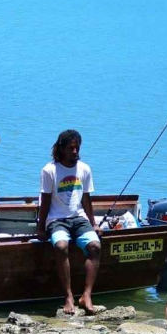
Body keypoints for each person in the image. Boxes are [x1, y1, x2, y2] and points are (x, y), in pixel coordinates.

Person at [38, 129, 103, 315]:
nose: (75, 152)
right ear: (62, 148)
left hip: (79, 218)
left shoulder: (84, 169)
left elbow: (86, 199)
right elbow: (45, 201)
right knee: (61, 246)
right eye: (71, 148)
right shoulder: (49, 170)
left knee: (95, 246)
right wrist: (41, 227)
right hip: (56, 219)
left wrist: (93, 223)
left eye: (77, 148)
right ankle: (68, 295)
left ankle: (86, 295)